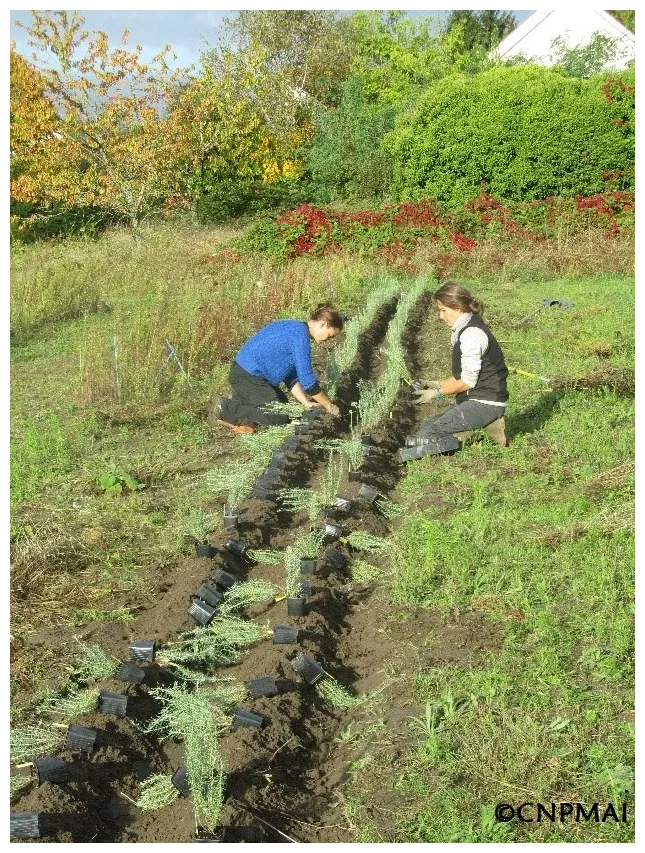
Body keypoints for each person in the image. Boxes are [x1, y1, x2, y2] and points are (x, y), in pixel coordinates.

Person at [399, 282, 509, 461]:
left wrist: (436, 393)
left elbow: (467, 382)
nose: (440, 316)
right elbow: (462, 376)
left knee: (429, 433)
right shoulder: (465, 328)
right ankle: (484, 426)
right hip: (476, 399)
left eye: (443, 310)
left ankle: (471, 434)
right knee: (427, 426)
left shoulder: (471, 335)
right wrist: (435, 383)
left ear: (457, 308)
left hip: (486, 402)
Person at [210, 303, 343, 434]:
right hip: (248, 376)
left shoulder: (294, 327)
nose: (329, 340)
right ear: (323, 323)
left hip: (245, 374)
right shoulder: (300, 337)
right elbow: (308, 382)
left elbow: (291, 377)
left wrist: (305, 403)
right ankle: (225, 408)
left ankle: (241, 399)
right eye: (330, 336)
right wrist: (329, 406)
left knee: (285, 408)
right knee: (278, 418)